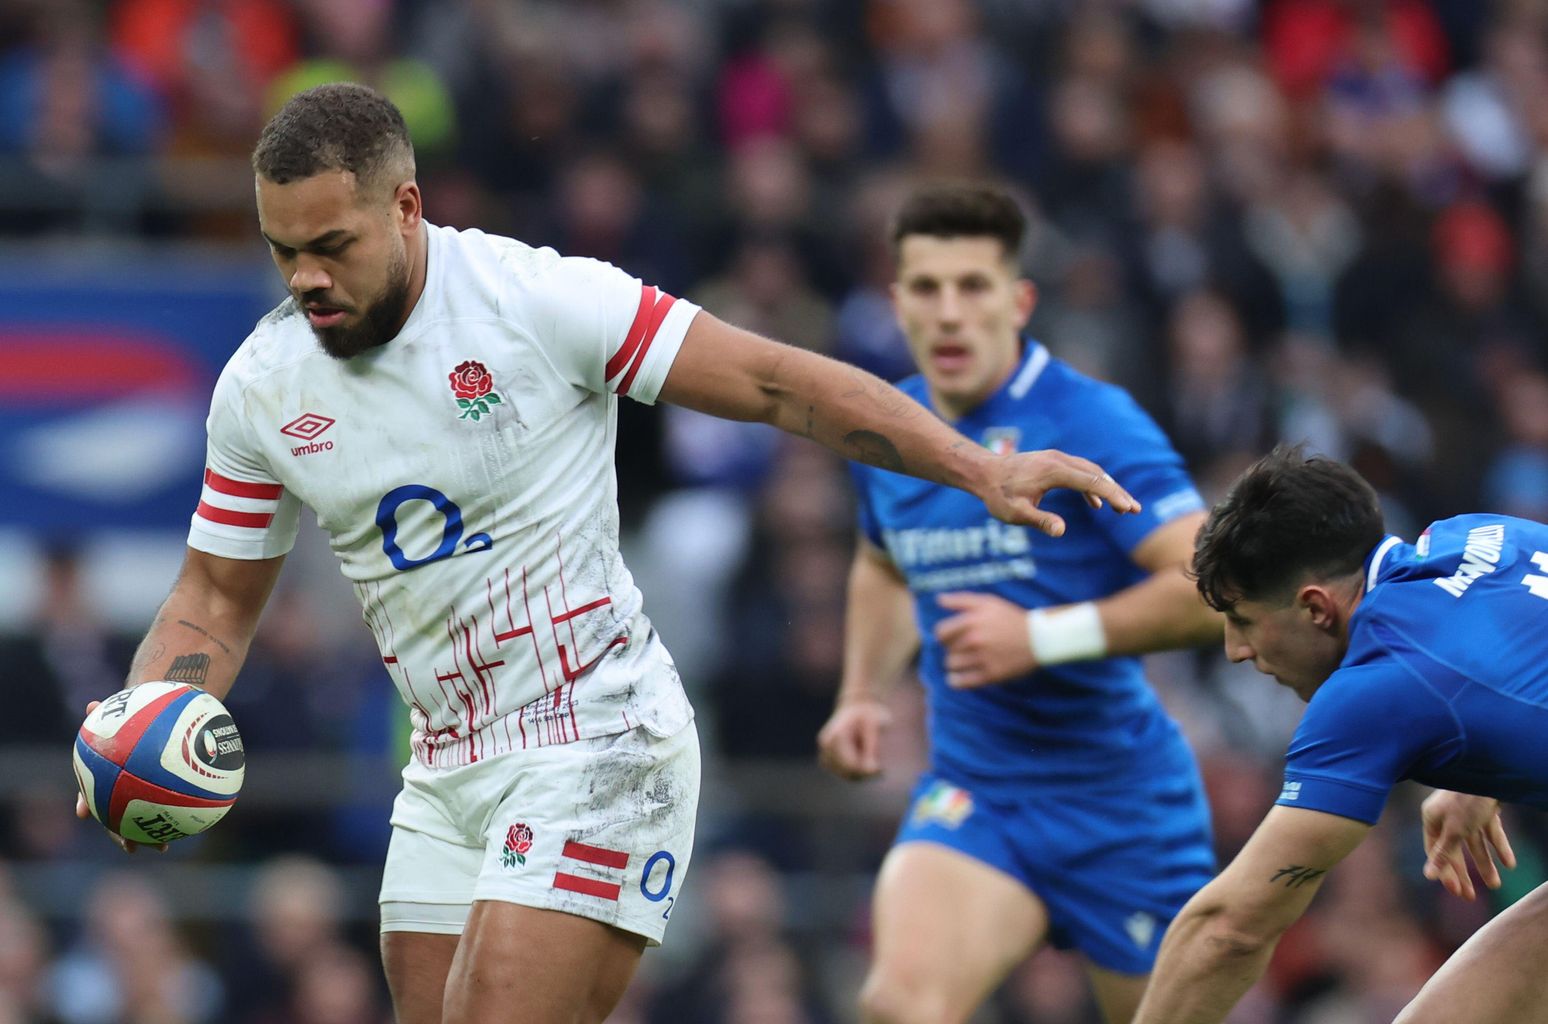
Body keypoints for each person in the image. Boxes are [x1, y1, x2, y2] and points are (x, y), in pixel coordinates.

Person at [69, 84, 1138, 1024]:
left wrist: (976, 466)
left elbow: (776, 382)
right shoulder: (262, 388)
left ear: (406, 207)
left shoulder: (537, 301)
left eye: (331, 245)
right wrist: (138, 725)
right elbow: (214, 593)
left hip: (601, 733)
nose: (305, 278)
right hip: (444, 765)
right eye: (281, 251)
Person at [817, 183, 1223, 1024]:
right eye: (927, 289)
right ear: (896, 302)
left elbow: (1213, 588)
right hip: (980, 793)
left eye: (974, 286)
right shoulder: (888, 428)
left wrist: (1042, 636)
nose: (950, 313)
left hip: (1122, 804)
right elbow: (883, 563)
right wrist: (860, 691)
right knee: (898, 1007)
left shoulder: (1092, 421)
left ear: (1020, 300)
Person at [1133, 444, 1548, 1024]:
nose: (1234, 651)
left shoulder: (1373, 690)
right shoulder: (1477, 534)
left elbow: (1231, 929)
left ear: (1315, 609)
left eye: (1244, 620)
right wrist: (1481, 770)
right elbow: (1506, 651)